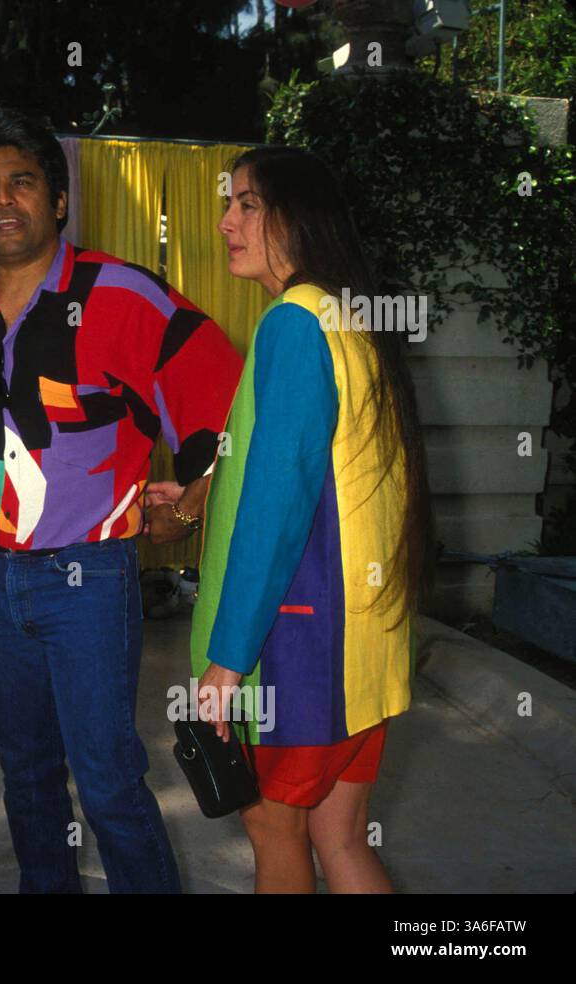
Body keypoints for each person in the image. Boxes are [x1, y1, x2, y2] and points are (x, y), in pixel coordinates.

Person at [0, 109, 243, 893]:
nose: (4, 202)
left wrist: (191, 505)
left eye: (23, 184)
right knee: (26, 775)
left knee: (106, 781)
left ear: (59, 201)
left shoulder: (120, 296)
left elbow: (226, 406)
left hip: (87, 579)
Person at [192, 145, 431, 893]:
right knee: (343, 841)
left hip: (298, 651)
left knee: (273, 832)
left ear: (298, 216)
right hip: (364, 652)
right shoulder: (350, 318)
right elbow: (332, 473)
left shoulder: (293, 324)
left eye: (248, 204)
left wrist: (228, 660)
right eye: (228, 203)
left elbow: (279, 503)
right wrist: (203, 491)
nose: (227, 221)